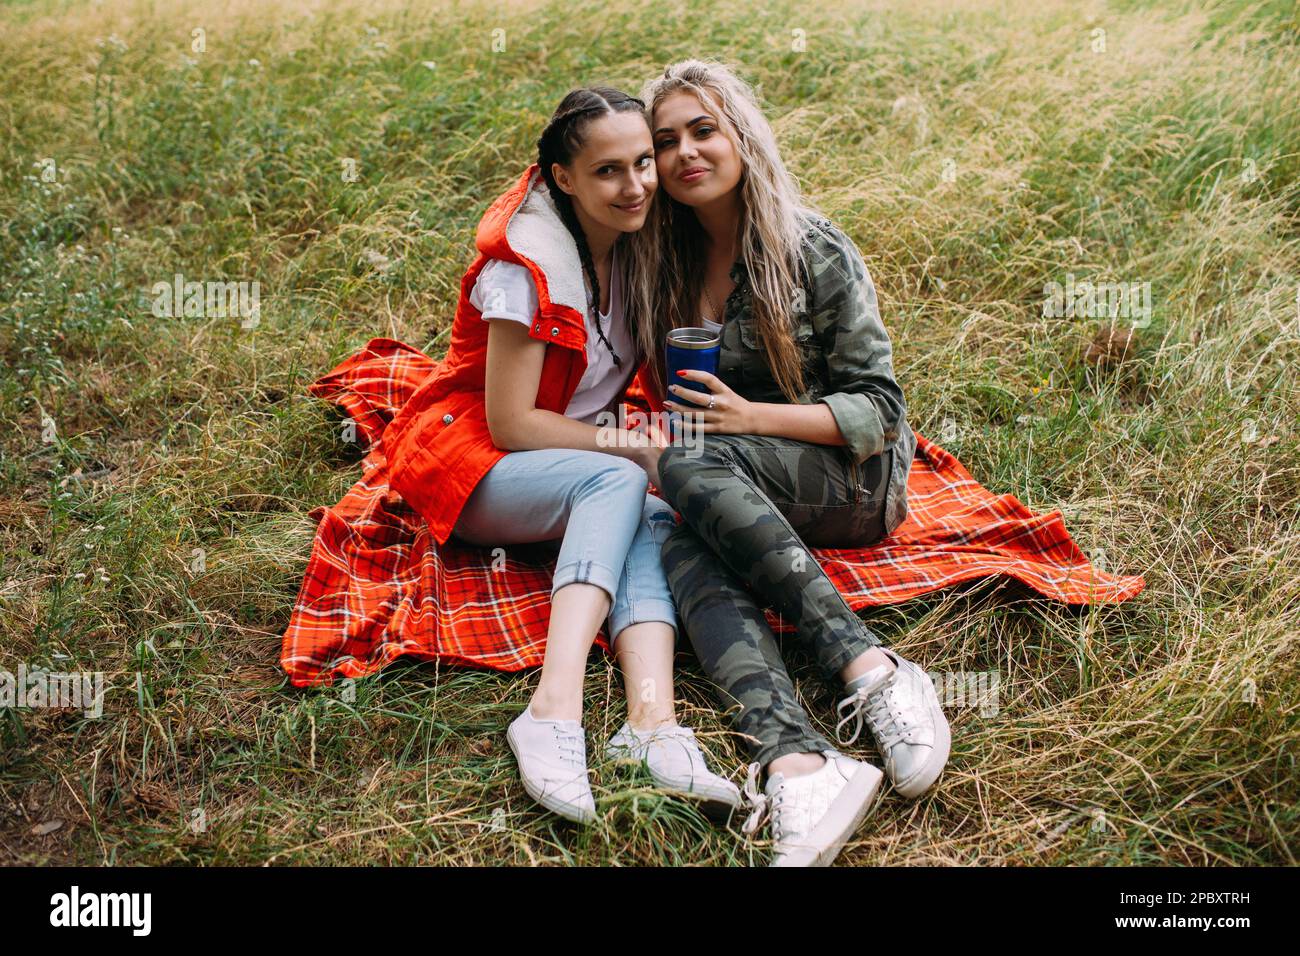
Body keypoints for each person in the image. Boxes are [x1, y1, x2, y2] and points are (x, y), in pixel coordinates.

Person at [382, 87, 740, 826]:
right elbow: (512, 423)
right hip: (476, 465)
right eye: (609, 170)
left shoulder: (637, 247)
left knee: (648, 506)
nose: (637, 184)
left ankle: (651, 725)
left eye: (644, 162)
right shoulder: (525, 269)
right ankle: (552, 708)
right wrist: (629, 444)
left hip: (576, 466)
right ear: (563, 179)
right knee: (619, 475)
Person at [628, 60, 951, 866]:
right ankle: (798, 760)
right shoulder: (660, 263)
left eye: (704, 130)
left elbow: (880, 411)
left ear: (742, 133)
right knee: (677, 525)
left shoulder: (811, 249)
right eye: (664, 141)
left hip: (852, 480)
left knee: (682, 470)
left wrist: (747, 418)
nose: (685, 153)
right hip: (732, 478)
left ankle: (869, 668)